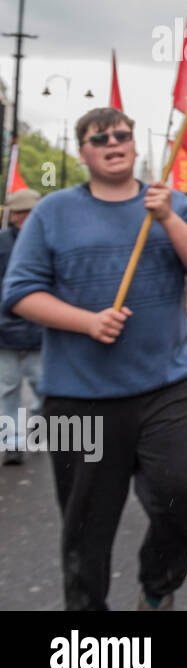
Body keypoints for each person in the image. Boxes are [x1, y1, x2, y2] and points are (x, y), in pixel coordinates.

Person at [2, 106, 187, 610]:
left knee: (186, 493)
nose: (113, 142)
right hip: (75, 398)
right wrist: (86, 321)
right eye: (99, 137)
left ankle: (157, 587)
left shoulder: (172, 203)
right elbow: (18, 292)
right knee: (84, 528)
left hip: (170, 385)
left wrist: (169, 218)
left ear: (133, 143)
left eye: (122, 134)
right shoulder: (52, 212)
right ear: (83, 151)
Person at [0, 189, 43, 464]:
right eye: (22, 212)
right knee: (8, 388)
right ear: (13, 215)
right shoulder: (1, 243)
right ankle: (12, 442)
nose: (26, 218)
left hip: (42, 329)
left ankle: (39, 431)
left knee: (44, 386)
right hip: (4, 331)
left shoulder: (50, 242)